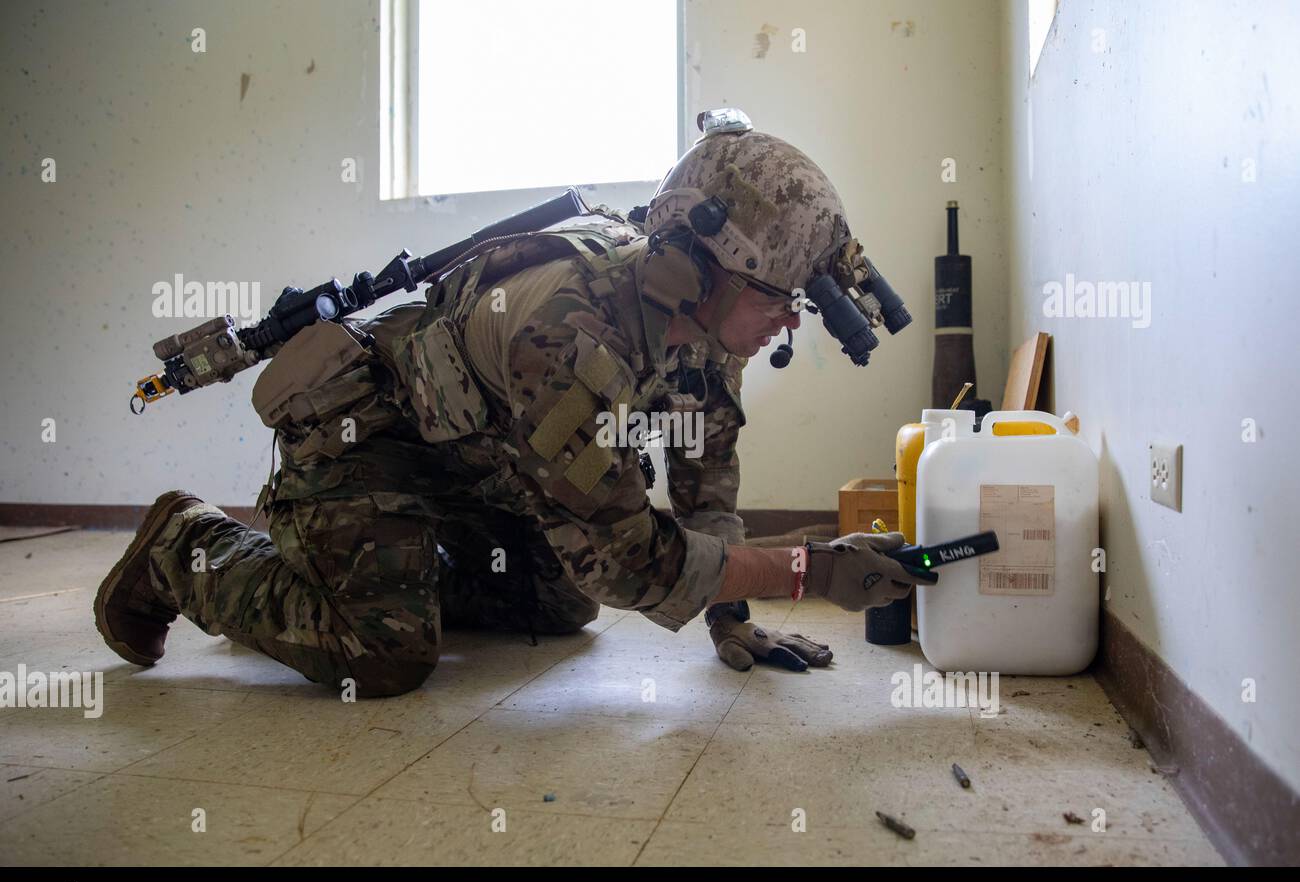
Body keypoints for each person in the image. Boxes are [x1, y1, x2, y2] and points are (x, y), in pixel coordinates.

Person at [95, 109, 933, 697]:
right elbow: (629, 562)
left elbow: (703, 481)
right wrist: (811, 568)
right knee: (384, 658)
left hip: (480, 462)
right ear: (694, 267)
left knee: (560, 603)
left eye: (802, 303)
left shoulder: (712, 332)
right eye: (777, 296)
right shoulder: (567, 334)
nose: (788, 320)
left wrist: (732, 614)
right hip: (366, 445)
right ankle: (184, 545)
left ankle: (398, 571)